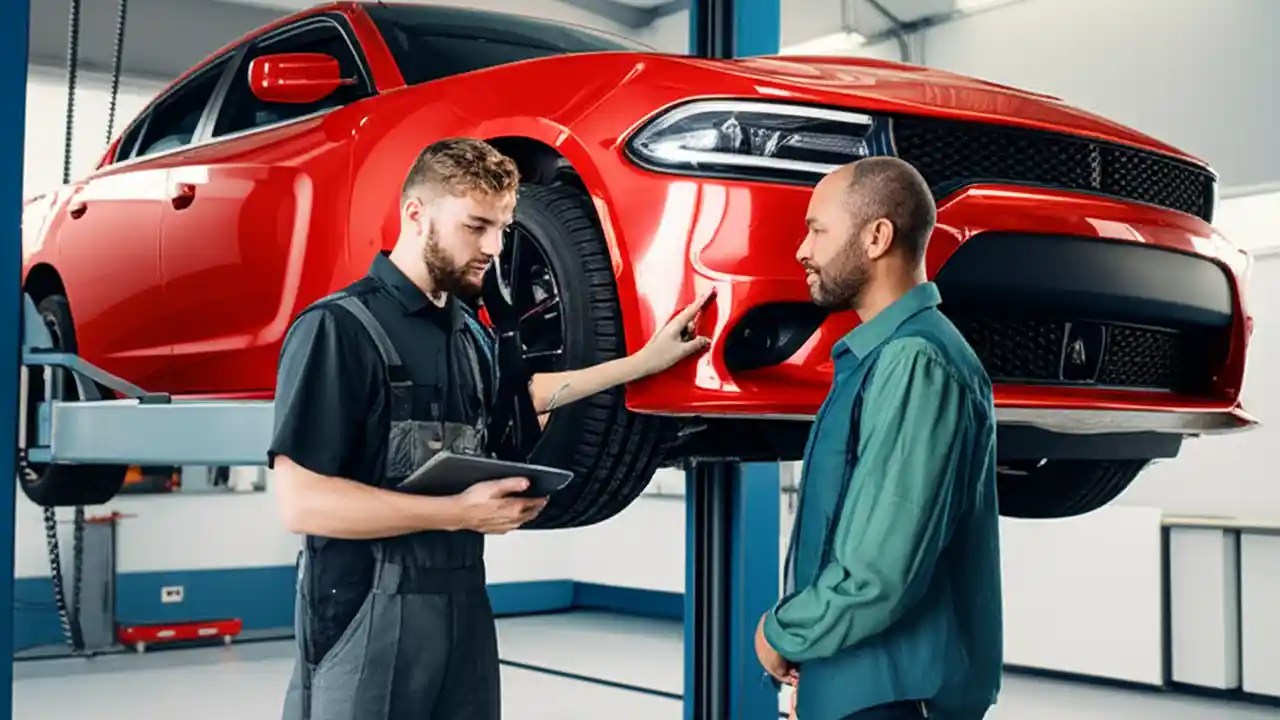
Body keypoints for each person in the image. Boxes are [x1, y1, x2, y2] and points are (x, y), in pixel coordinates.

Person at [269, 137, 712, 720]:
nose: (494, 248)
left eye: (502, 228)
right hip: (363, 611)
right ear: (415, 214)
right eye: (476, 226)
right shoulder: (338, 330)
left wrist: (641, 365)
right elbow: (302, 504)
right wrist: (458, 513)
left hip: (463, 605)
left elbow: (526, 396)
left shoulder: (470, 334)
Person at [755, 156, 1003, 720]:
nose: (803, 250)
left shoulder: (916, 361)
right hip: (864, 687)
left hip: (890, 695)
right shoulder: (884, 357)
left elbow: (880, 569)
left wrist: (783, 631)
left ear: (876, 237)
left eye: (817, 229)